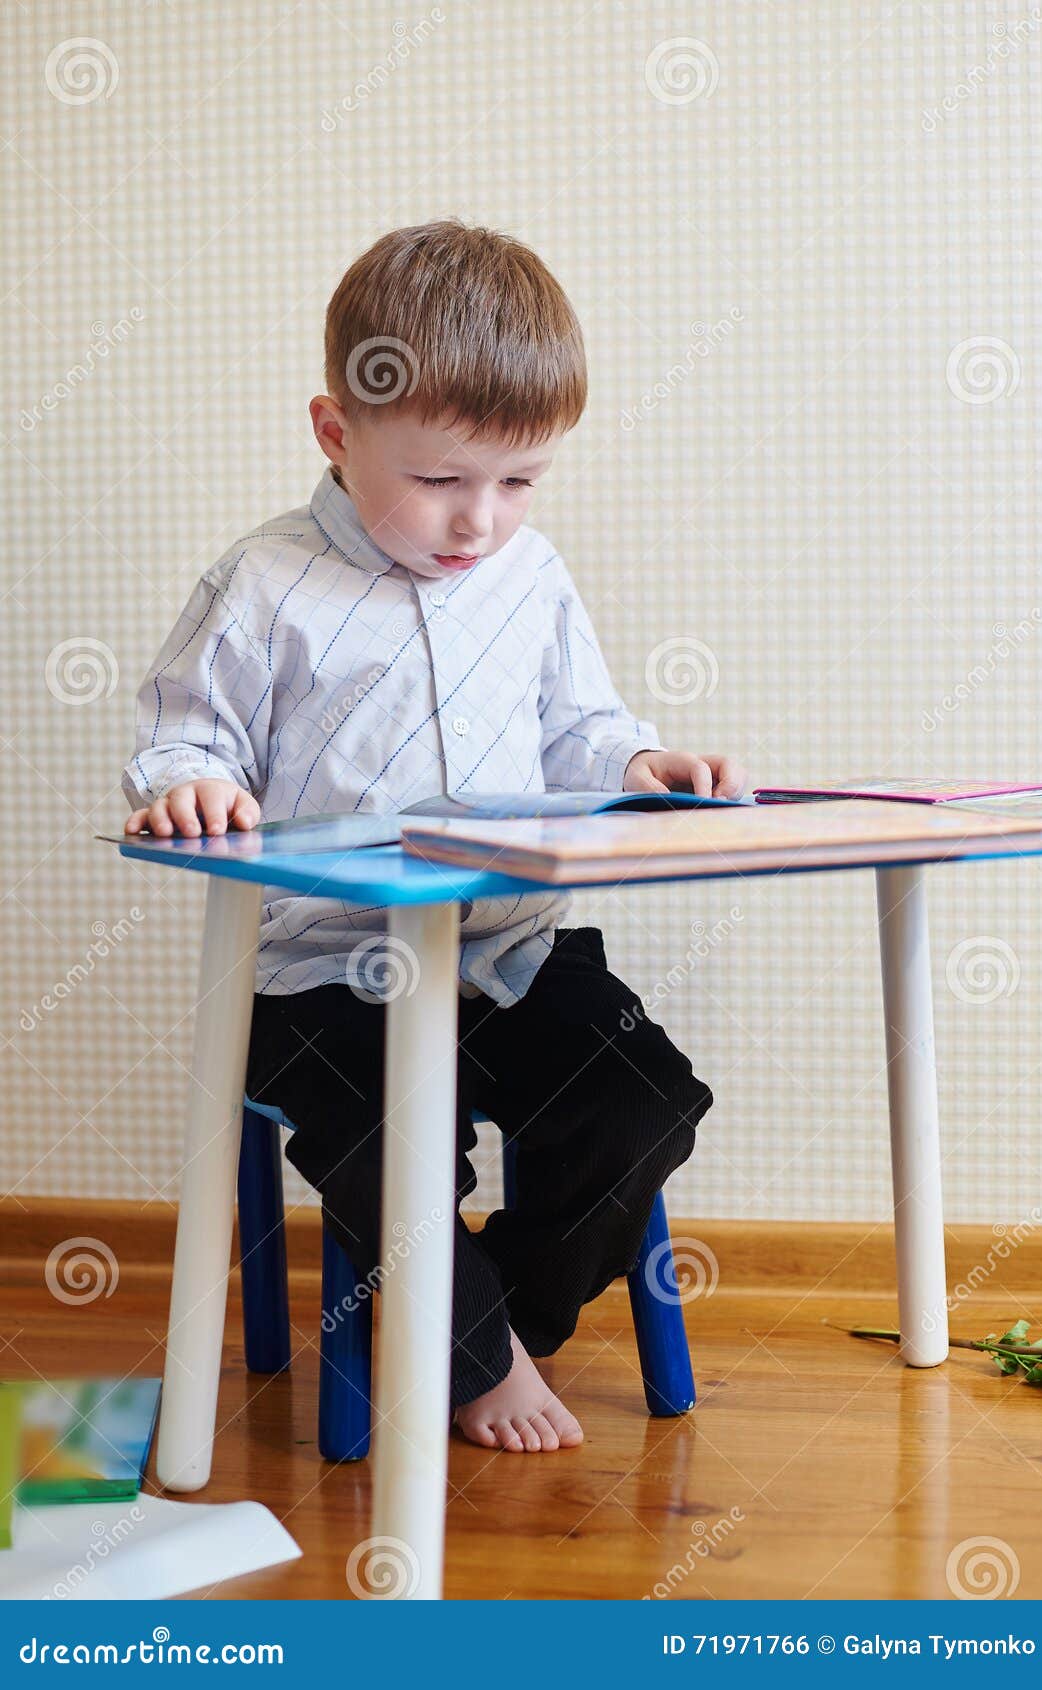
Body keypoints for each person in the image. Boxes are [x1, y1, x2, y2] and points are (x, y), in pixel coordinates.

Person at [122, 219, 747, 1454]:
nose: (480, 522)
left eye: (518, 482)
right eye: (442, 479)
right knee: (388, 1140)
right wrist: (192, 783)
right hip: (328, 970)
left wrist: (639, 761)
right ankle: (479, 1361)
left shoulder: (531, 575)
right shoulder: (264, 585)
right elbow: (186, 736)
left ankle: (490, 1316)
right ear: (336, 431)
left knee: (645, 1102)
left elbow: (581, 724)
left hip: (511, 952)